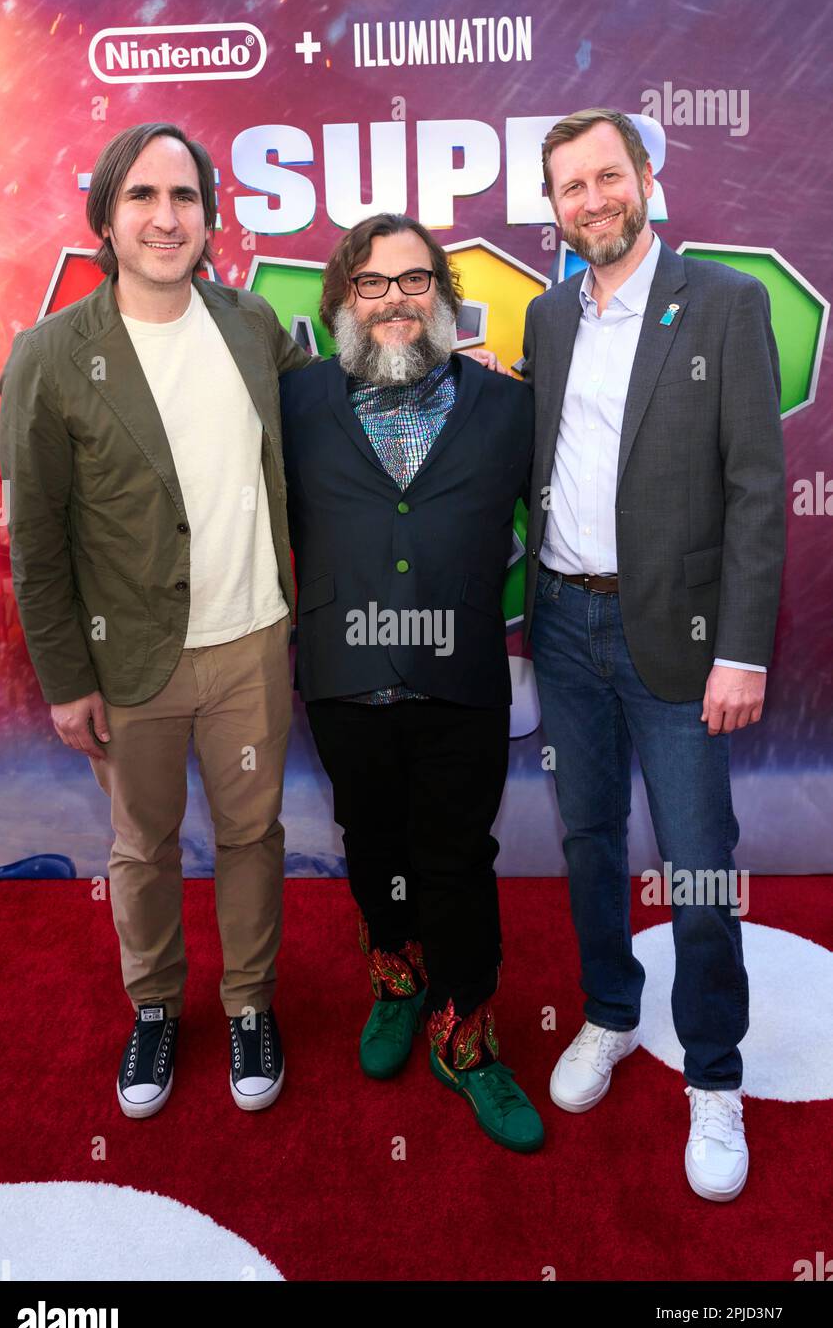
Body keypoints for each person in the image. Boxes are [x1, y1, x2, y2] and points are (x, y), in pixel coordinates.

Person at [0, 122, 316, 1118]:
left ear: (211, 220)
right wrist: (63, 680)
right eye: (142, 196)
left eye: (184, 198)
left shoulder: (254, 324)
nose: (165, 217)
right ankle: (154, 1005)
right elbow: (36, 541)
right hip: (124, 659)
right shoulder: (51, 357)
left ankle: (249, 999)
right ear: (106, 215)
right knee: (140, 845)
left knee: (252, 832)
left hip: (253, 642)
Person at [521, 109, 785, 1199]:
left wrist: (740, 652)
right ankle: (610, 1012)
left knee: (696, 861)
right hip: (561, 625)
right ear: (553, 209)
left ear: (643, 178)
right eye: (568, 187)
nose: (589, 200)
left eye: (605, 176)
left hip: (676, 635)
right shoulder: (544, 318)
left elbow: (755, 493)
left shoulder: (722, 303)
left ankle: (712, 1076)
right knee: (586, 840)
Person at [280, 213, 543, 1153]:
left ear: (444, 294)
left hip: (461, 677)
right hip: (344, 675)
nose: (395, 299)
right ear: (344, 298)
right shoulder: (294, 402)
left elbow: (558, 533)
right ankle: (397, 980)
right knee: (370, 841)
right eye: (372, 282)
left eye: (415, 280)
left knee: (460, 860)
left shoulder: (510, 407)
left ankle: (466, 1036)